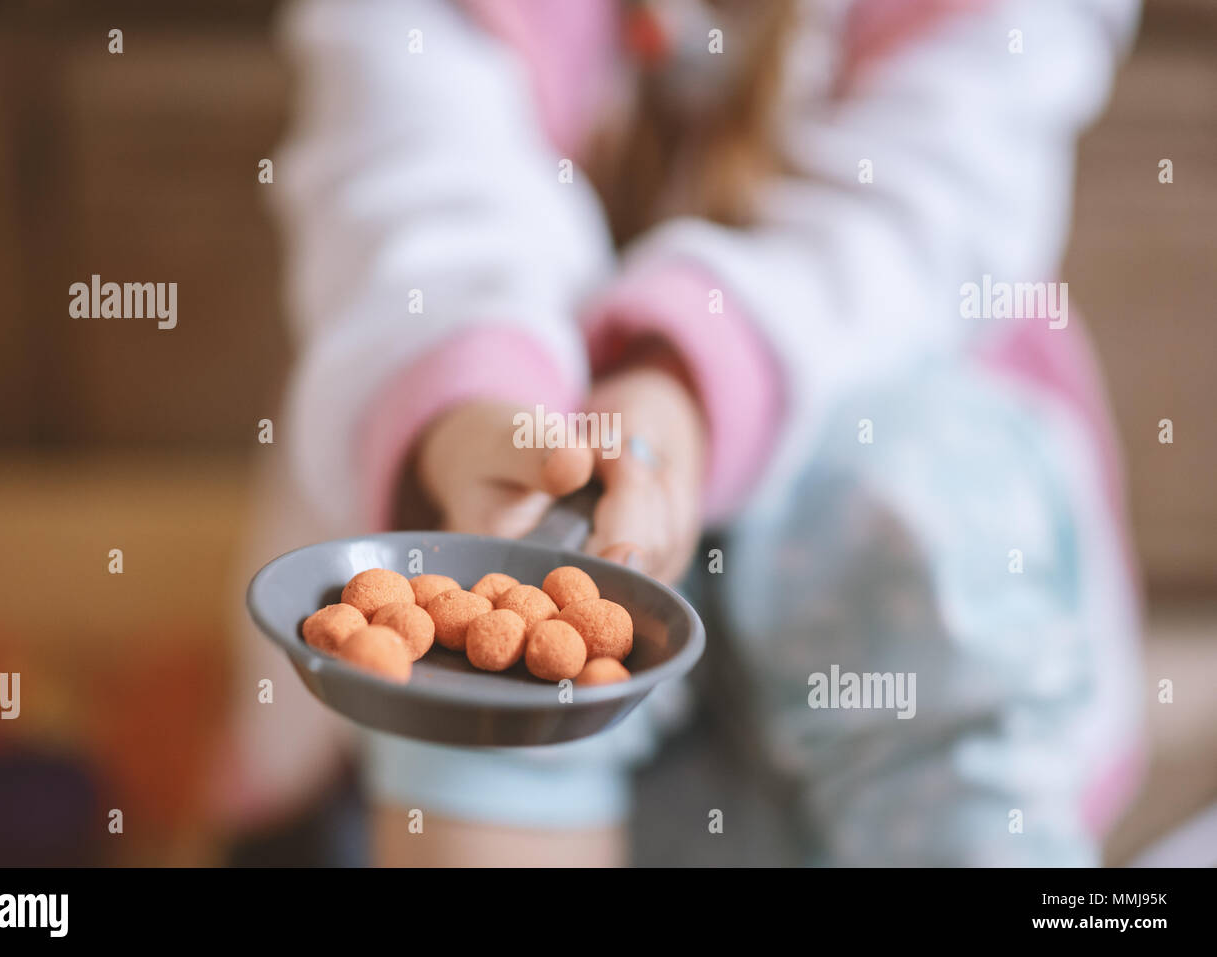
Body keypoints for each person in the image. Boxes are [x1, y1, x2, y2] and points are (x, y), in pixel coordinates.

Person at [215, 0, 1146, 866]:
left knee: (916, 523)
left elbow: (934, 199)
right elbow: (409, 164)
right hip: (534, 435)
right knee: (481, 607)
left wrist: (686, 377)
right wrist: (474, 405)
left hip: (864, 444)